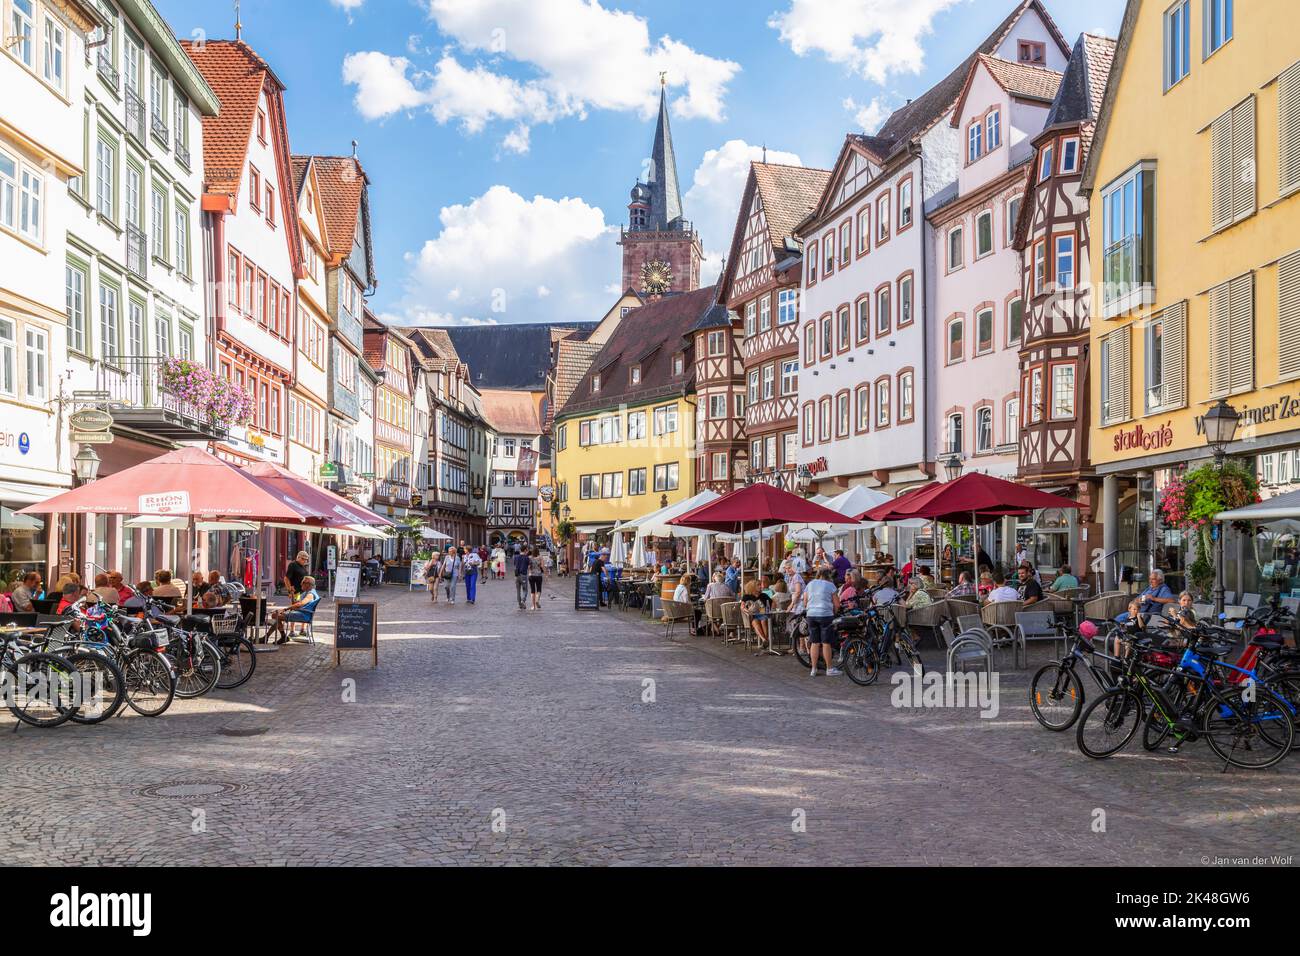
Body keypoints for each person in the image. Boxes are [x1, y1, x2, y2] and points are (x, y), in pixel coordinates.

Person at [804, 569, 842, 677]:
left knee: (814, 642)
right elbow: (837, 604)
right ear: (828, 576)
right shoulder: (830, 585)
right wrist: (834, 613)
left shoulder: (810, 584)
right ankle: (829, 668)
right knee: (826, 643)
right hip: (825, 614)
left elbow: (805, 601)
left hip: (811, 615)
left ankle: (813, 669)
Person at [266, 576, 321, 644]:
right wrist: (292, 593)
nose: (301, 584)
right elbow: (295, 603)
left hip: (303, 615)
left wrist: (285, 609)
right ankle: (268, 636)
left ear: (309, 584)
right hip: (302, 613)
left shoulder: (310, 594)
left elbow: (300, 604)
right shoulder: (306, 592)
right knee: (277, 616)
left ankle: (281, 636)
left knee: (275, 615)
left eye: (303, 582)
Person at [741, 578, 773, 653]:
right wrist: (747, 611)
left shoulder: (764, 595)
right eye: (758, 585)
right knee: (755, 622)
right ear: (753, 587)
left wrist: (770, 608)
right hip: (753, 616)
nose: (761, 586)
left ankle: (765, 641)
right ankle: (765, 640)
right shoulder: (747, 596)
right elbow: (742, 607)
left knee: (764, 620)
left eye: (760, 585)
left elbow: (772, 603)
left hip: (763, 615)